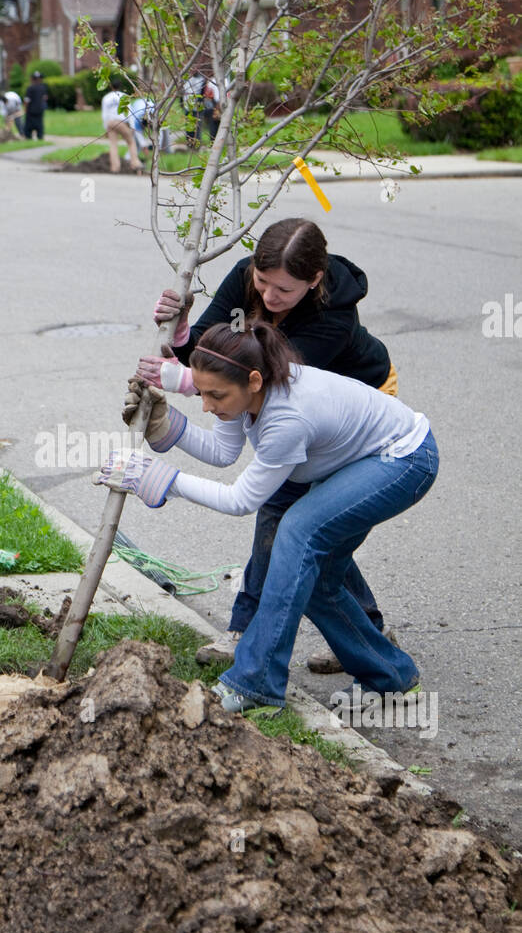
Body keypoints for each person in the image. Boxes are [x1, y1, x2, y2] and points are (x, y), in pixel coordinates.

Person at [95, 321, 438, 713]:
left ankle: (256, 683)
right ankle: (392, 677)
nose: (206, 404)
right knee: (318, 577)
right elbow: (221, 452)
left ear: (253, 381)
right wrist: (167, 424)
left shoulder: (289, 417)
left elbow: (241, 499)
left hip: (405, 459)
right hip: (363, 460)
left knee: (298, 533)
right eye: (202, 393)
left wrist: (163, 480)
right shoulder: (248, 389)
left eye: (215, 395)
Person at [137, 218, 399, 672]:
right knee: (310, 526)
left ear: (314, 280)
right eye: (262, 282)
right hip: (283, 402)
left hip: (357, 405)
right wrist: (180, 334)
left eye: (284, 290)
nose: (268, 297)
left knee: (285, 513)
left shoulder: (334, 313)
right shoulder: (245, 276)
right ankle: (368, 631)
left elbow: (272, 380)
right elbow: (212, 350)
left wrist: (181, 383)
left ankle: (245, 633)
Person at [100, 78, 142, 173]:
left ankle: (115, 168)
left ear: (111, 87)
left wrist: (105, 127)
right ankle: (135, 164)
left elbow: (104, 114)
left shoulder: (106, 98)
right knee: (131, 142)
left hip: (110, 123)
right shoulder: (124, 96)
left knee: (113, 144)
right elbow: (130, 113)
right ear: (120, 86)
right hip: (121, 122)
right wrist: (132, 127)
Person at [23, 70, 47, 140]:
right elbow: (45, 98)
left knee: (29, 125)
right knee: (39, 125)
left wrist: (25, 109)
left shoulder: (30, 88)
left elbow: (27, 100)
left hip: (31, 111)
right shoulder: (43, 88)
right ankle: (40, 136)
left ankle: (28, 136)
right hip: (40, 110)